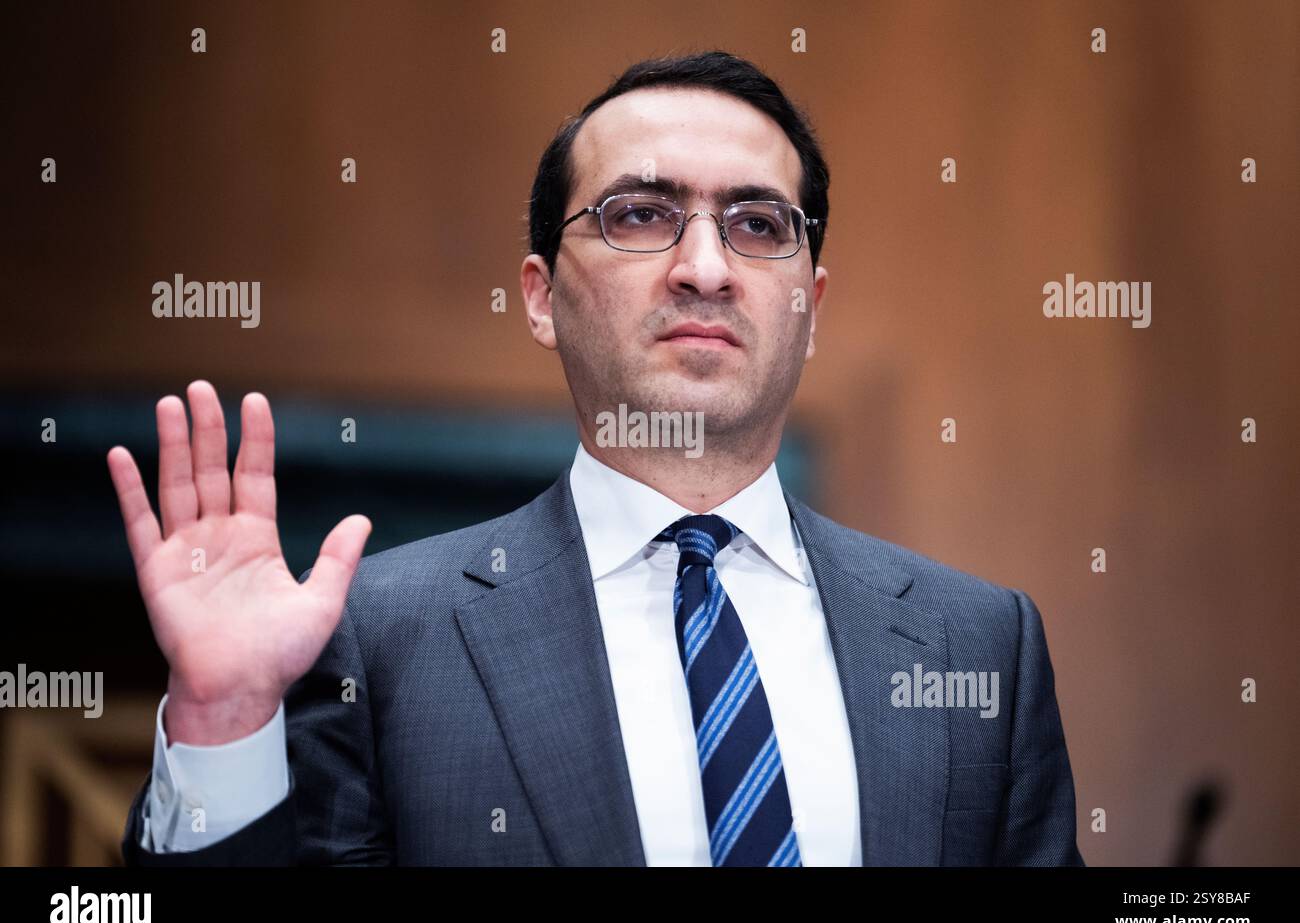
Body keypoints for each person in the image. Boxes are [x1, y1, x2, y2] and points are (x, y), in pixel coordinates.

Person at [109, 50, 1083, 866]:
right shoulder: (377, 638)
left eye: (756, 226)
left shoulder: (978, 643)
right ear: (539, 296)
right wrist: (227, 720)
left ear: (809, 306)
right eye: (640, 214)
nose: (703, 267)